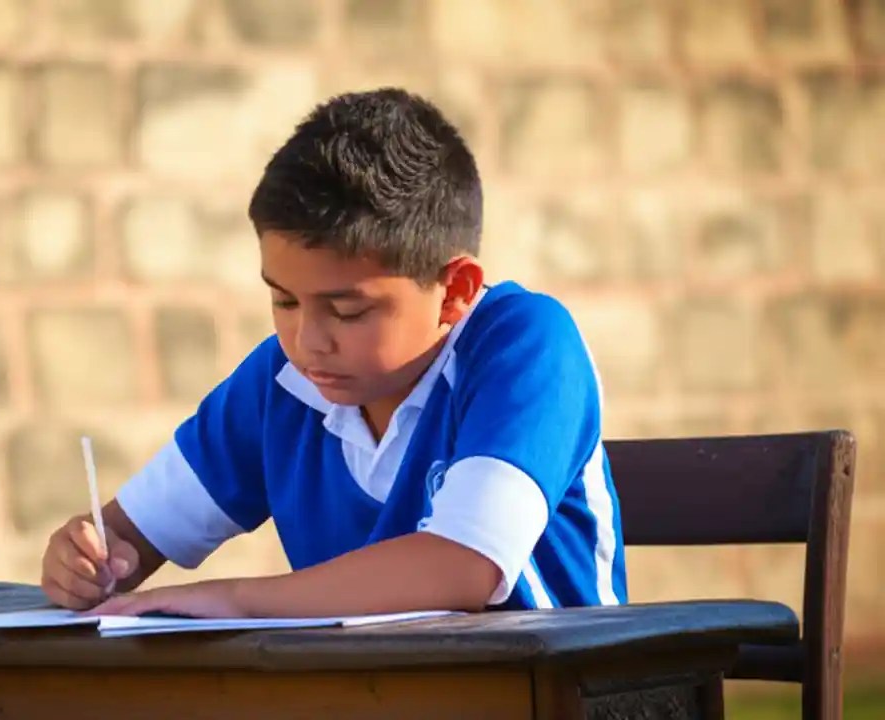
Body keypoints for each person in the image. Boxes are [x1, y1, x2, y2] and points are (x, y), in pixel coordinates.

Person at [40, 88, 626, 618]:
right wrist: (85, 560)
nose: (308, 339)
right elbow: (129, 538)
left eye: (347, 311)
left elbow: (463, 566)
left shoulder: (523, 344)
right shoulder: (281, 383)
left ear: (455, 292)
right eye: (284, 301)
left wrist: (232, 600)